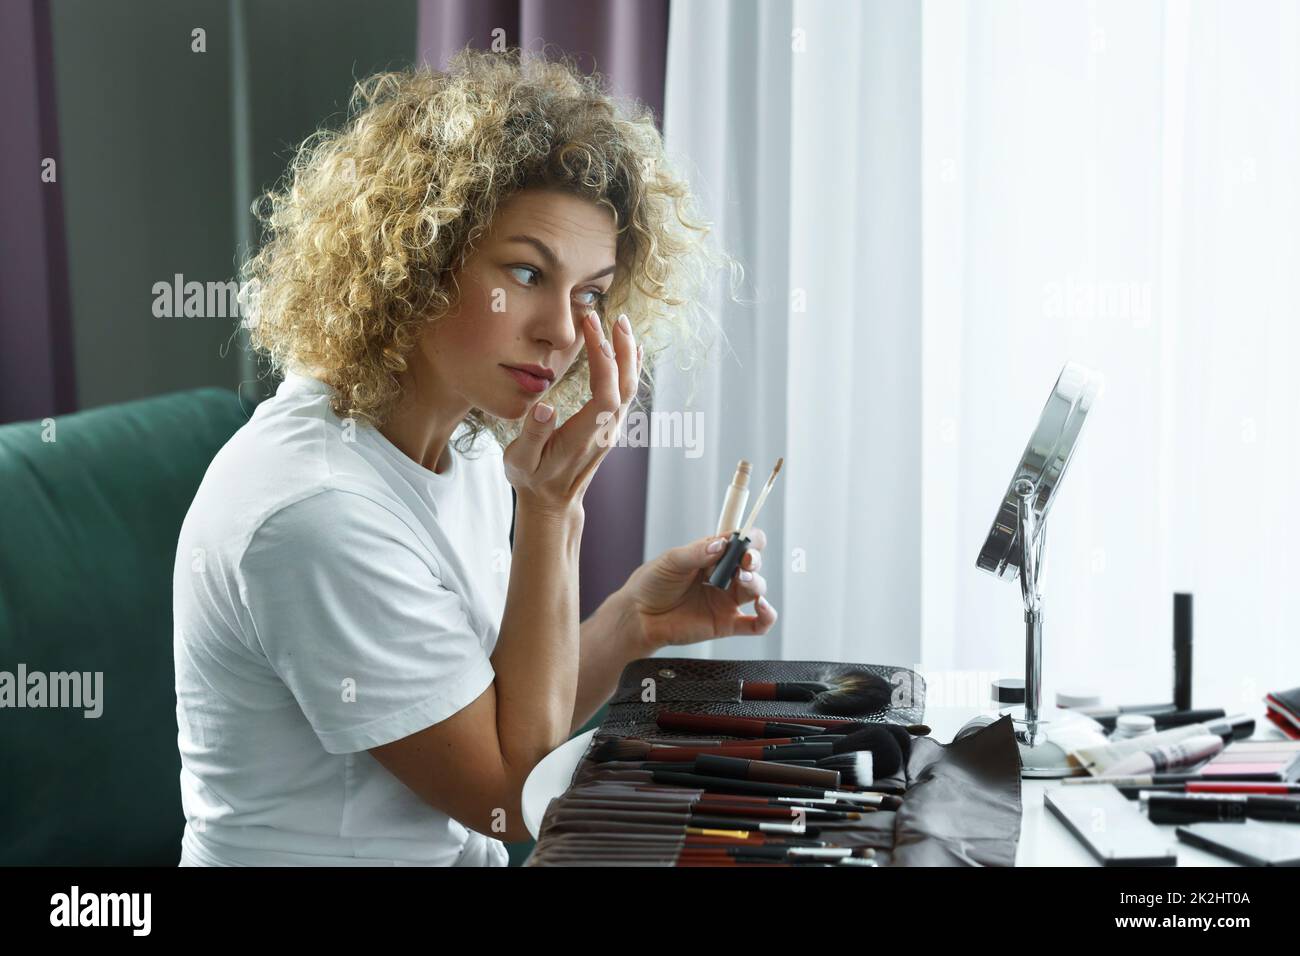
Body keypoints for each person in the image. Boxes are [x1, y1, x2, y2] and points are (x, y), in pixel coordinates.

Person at [173, 48, 776, 867]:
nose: (563, 332)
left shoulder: (464, 443)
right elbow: (510, 801)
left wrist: (633, 621)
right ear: (418, 261)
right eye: (526, 273)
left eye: (591, 294)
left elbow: (504, 714)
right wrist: (552, 512)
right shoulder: (317, 512)